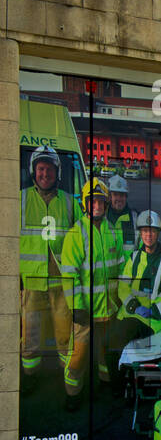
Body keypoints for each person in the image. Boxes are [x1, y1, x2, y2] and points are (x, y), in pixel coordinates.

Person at [60, 178, 125, 410]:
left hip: (109, 308)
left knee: (105, 351)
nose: (97, 205)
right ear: (85, 204)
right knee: (78, 355)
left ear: (106, 204)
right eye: (92, 201)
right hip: (85, 311)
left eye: (100, 201)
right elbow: (69, 275)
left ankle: (105, 382)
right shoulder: (76, 234)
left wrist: (123, 299)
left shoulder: (112, 232)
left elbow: (120, 266)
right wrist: (77, 306)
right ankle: (72, 393)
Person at [20, 147, 80, 387]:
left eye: (50, 169)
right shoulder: (20, 199)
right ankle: (30, 378)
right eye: (41, 169)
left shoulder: (69, 202)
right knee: (30, 337)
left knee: (65, 337)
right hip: (32, 284)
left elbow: (81, 241)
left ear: (58, 172)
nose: (45, 174)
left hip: (61, 285)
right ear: (33, 171)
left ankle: (66, 382)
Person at [109, 210, 161, 392]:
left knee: (113, 341)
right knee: (109, 341)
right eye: (144, 231)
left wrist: (154, 310)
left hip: (151, 320)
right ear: (140, 233)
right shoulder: (134, 257)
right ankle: (119, 383)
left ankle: (118, 389)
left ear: (158, 233)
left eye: (152, 231)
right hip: (130, 314)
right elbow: (124, 286)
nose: (148, 235)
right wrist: (133, 305)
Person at [107, 175, 136, 256]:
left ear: (126, 197)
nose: (119, 199)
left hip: (129, 268)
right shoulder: (102, 218)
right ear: (110, 197)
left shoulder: (135, 219)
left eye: (122, 195)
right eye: (115, 194)